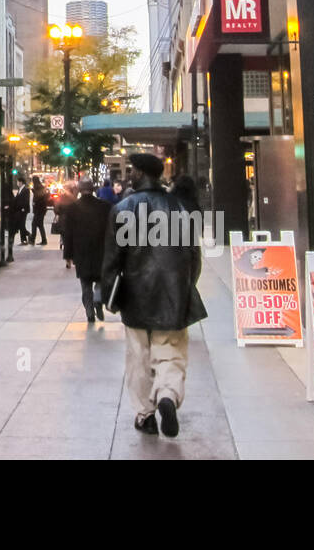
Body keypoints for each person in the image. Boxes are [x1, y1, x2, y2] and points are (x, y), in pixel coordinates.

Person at [102, 152, 207, 439]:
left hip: (136, 294)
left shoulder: (123, 209)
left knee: (138, 355)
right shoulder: (183, 208)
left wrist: (108, 294)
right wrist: (186, 286)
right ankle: (168, 397)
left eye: (133, 170)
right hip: (174, 294)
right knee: (171, 352)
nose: (130, 175)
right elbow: (193, 257)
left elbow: (112, 259)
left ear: (140, 173)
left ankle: (145, 414)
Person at [64, 178, 111, 322]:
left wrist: (68, 255)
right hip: (101, 250)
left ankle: (89, 311)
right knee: (100, 279)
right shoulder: (105, 207)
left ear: (79, 189)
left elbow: (68, 234)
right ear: (93, 189)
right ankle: (98, 298)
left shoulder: (72, 208)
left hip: (81, 252)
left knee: (85, 284)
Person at [30, 177, 49, 245]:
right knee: (40, 225)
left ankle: (33, 239)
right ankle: (43, 240)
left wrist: (34, 191)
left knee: (34, 224)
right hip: (41, 210)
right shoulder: (40, 186)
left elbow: (39, 197)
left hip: (39, 210)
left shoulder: (38, 187)